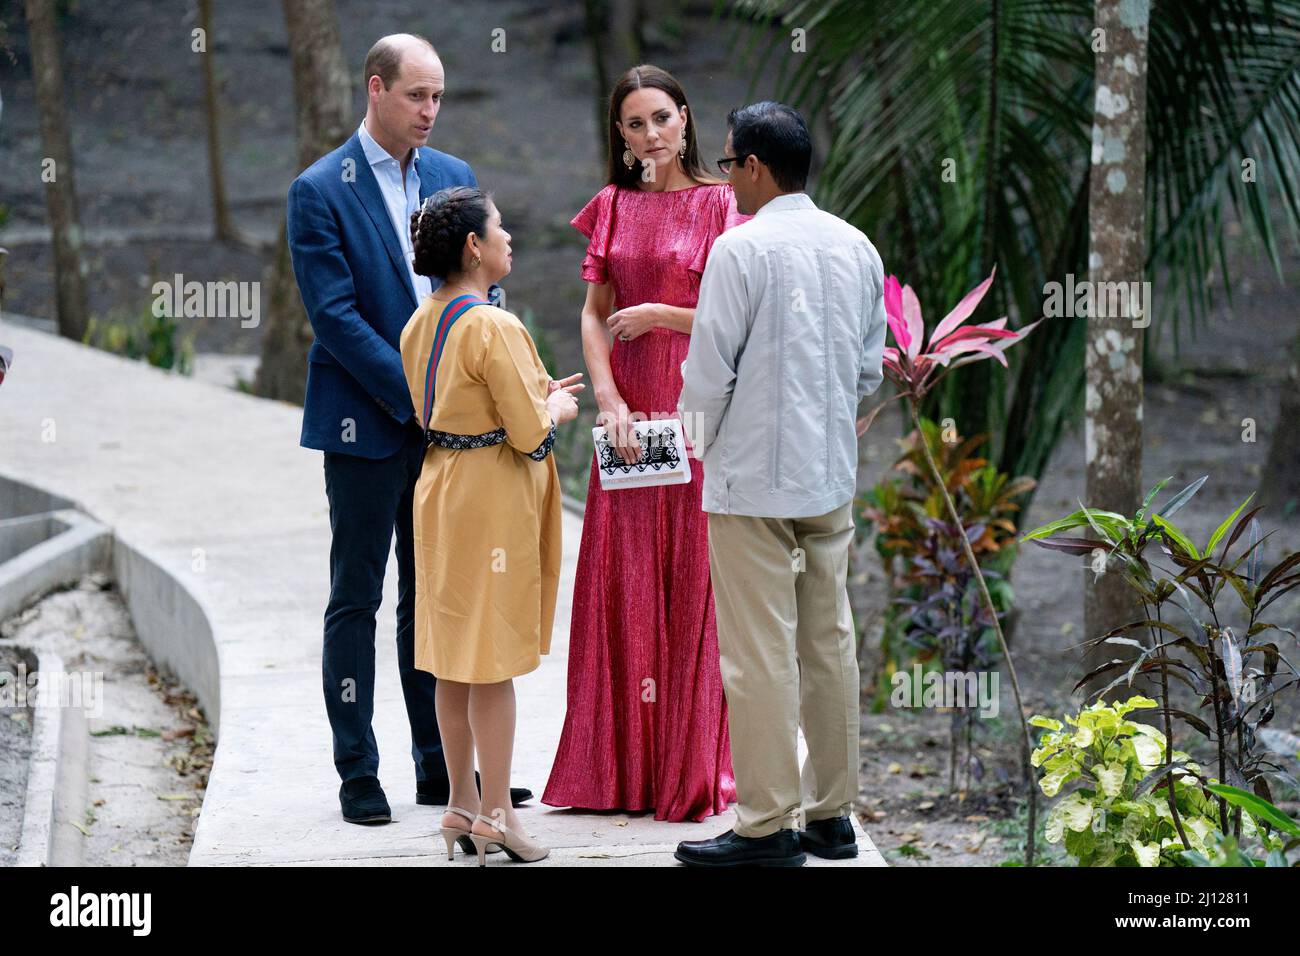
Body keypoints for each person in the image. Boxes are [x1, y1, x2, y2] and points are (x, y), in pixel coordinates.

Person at [287, 33, 529, 824]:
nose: (431, 111)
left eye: (439, 96)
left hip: (448, 436)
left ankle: (443, 770)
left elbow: (480, 301)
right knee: (356, 595)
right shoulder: (319, 190)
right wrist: (423, 393)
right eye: (417, 96)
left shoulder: (454, 179)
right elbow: (335, 320)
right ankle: (359, 770)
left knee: (435, 602)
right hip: (365, 424)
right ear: (374, 89)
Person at [674, 102, 888, 866]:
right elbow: (869, 371)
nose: (726, 176)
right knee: (829, 642)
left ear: (755, 167)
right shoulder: (857, 247)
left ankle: (765, 825)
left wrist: (693, 446)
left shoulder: (741, 249)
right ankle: (831, 817)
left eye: (729, 162)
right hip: (828, 480)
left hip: (752, 485)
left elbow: (707, 376)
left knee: (758, 654)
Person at [541, 64, 749, 823]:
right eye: (634, 124)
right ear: (620, 137)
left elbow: (740, 320)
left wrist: (662, 314)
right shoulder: (614, 205)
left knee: (690, 580)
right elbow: (596, 315)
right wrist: (608, 400)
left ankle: (686, 772)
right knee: (622, 582)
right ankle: (614, 773)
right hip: (627, 420)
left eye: (661, 118)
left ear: (687, 120)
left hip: (693, 417)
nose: (650, 134)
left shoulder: (725, 205)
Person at [400, 186, 582, 865]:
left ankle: (460, 804)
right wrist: (556, 409)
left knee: (453, 656)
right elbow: (530, 435)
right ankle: (501, 818)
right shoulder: (494, 326)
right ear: (474, 246)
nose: (509, 239)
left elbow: (440, 410)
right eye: (500, 229)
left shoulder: (422, 321)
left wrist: (530, 404)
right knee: (494, 661)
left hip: (442, 486)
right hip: (492, 497)